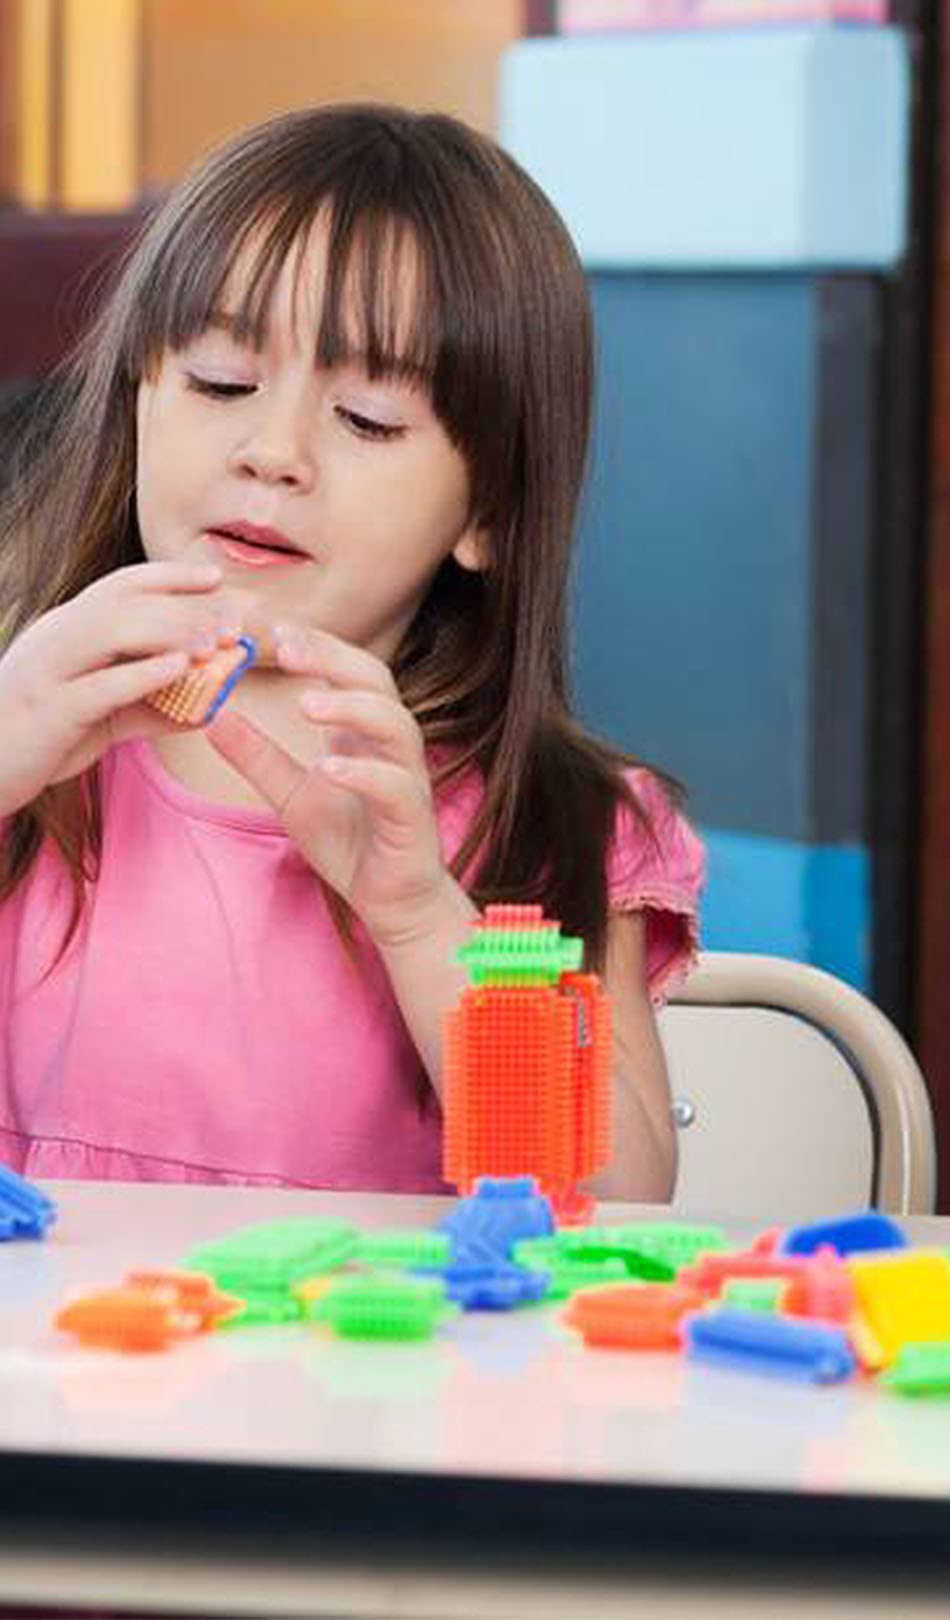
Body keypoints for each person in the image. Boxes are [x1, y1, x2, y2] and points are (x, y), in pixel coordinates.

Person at [0, 105, 703, 1199]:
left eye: (368, 419)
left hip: (379, 1372)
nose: (271, 453)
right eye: (222, 383)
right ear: (134, 402)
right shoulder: (31, 737)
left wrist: (421, 915)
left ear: (492, 513)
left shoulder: (552, 818)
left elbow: (612, 1211)